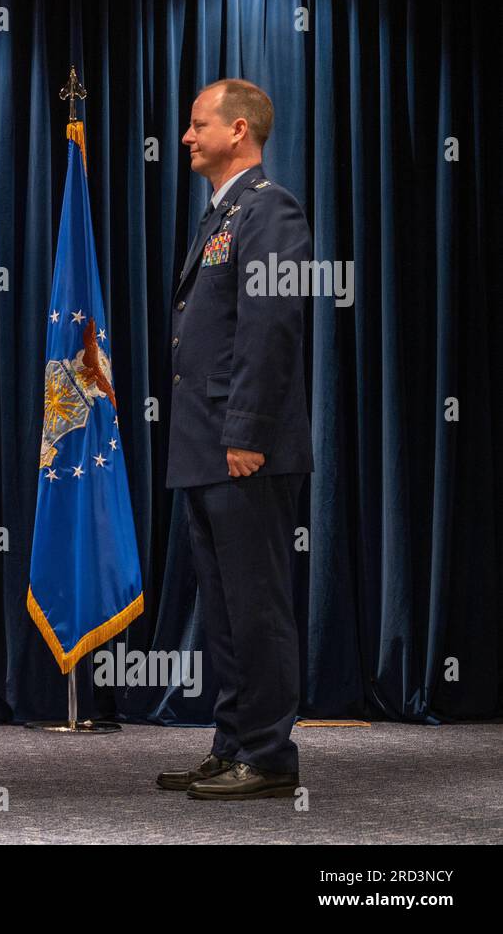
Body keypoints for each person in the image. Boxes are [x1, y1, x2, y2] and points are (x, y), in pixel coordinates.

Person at [157, 78, 313, 800]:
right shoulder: (218, 217)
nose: (186, 137)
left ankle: (272, 755)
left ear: (239, 130)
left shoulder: (269, 209)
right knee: (221, 609)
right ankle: (233, 742)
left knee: (257, 605)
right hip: (203, 448)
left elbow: (270, 326)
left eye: (197, 125)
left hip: (242, 447)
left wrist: (247, 432)